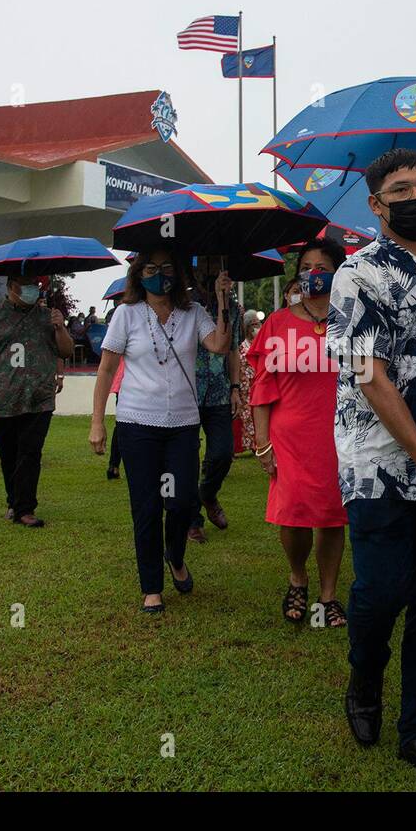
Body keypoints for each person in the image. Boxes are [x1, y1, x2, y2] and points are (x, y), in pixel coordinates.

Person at [327, 148, 416, 789]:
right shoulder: (355, 276)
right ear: (377, 205)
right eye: (402, 188)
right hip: (378, 458)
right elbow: (368, 374)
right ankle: (364, 676)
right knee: (382, 591)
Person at [89, 249, 233, 613]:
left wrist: (222, 299)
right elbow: (106, 369)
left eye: (167, 267)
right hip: (137, 424)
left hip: (183, 424)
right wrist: (97, 422)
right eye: (151, 268)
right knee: (147, 506)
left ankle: (175, 555)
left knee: (182, 501)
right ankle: (151, 586)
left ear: (179, 273)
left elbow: (218, 345)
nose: (159, 275)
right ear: (139, 274)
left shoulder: (192, 313)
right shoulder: (126, 314)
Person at [249, 243, 349, 628]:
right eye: (306, 266)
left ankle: (327, 596)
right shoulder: (277, 323)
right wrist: (262, 443)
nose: (313, 273)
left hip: (339, 437)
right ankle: (297, 576)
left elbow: (368, 380)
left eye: (322, 267)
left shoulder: (352, 320)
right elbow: (263, 389)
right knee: (292, 519)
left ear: (338, 272)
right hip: (289, 437)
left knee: (331, 518)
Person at [0, 274, 74, 526]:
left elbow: (66, 351)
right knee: (9, 454)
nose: (31, 290)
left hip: (39, 399)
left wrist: (60, 327)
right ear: (11, 287)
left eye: (34, 286)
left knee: (30, 452)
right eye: (24, 286)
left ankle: (25, 508)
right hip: (3, 398)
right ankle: (14, 501)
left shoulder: (48, 317)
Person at [184, 256, 242, 544]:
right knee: (187, 457)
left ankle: (207, 494)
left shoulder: (232, 307)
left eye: (214, 268)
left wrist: (235, 387)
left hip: (219, 390)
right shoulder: (183, 306)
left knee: (222, 452)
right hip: (187, 392)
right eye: (202, 267)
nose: (209, 273)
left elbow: (231, 351)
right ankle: (192, 520)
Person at [237, 310, 263, 453]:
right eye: (252, 324)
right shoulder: (242, 347)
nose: (255, 327)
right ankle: (252, 444)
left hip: (260, 383)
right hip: (247, 386)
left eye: (257, 323)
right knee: (247, 415)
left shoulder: (265, 343)